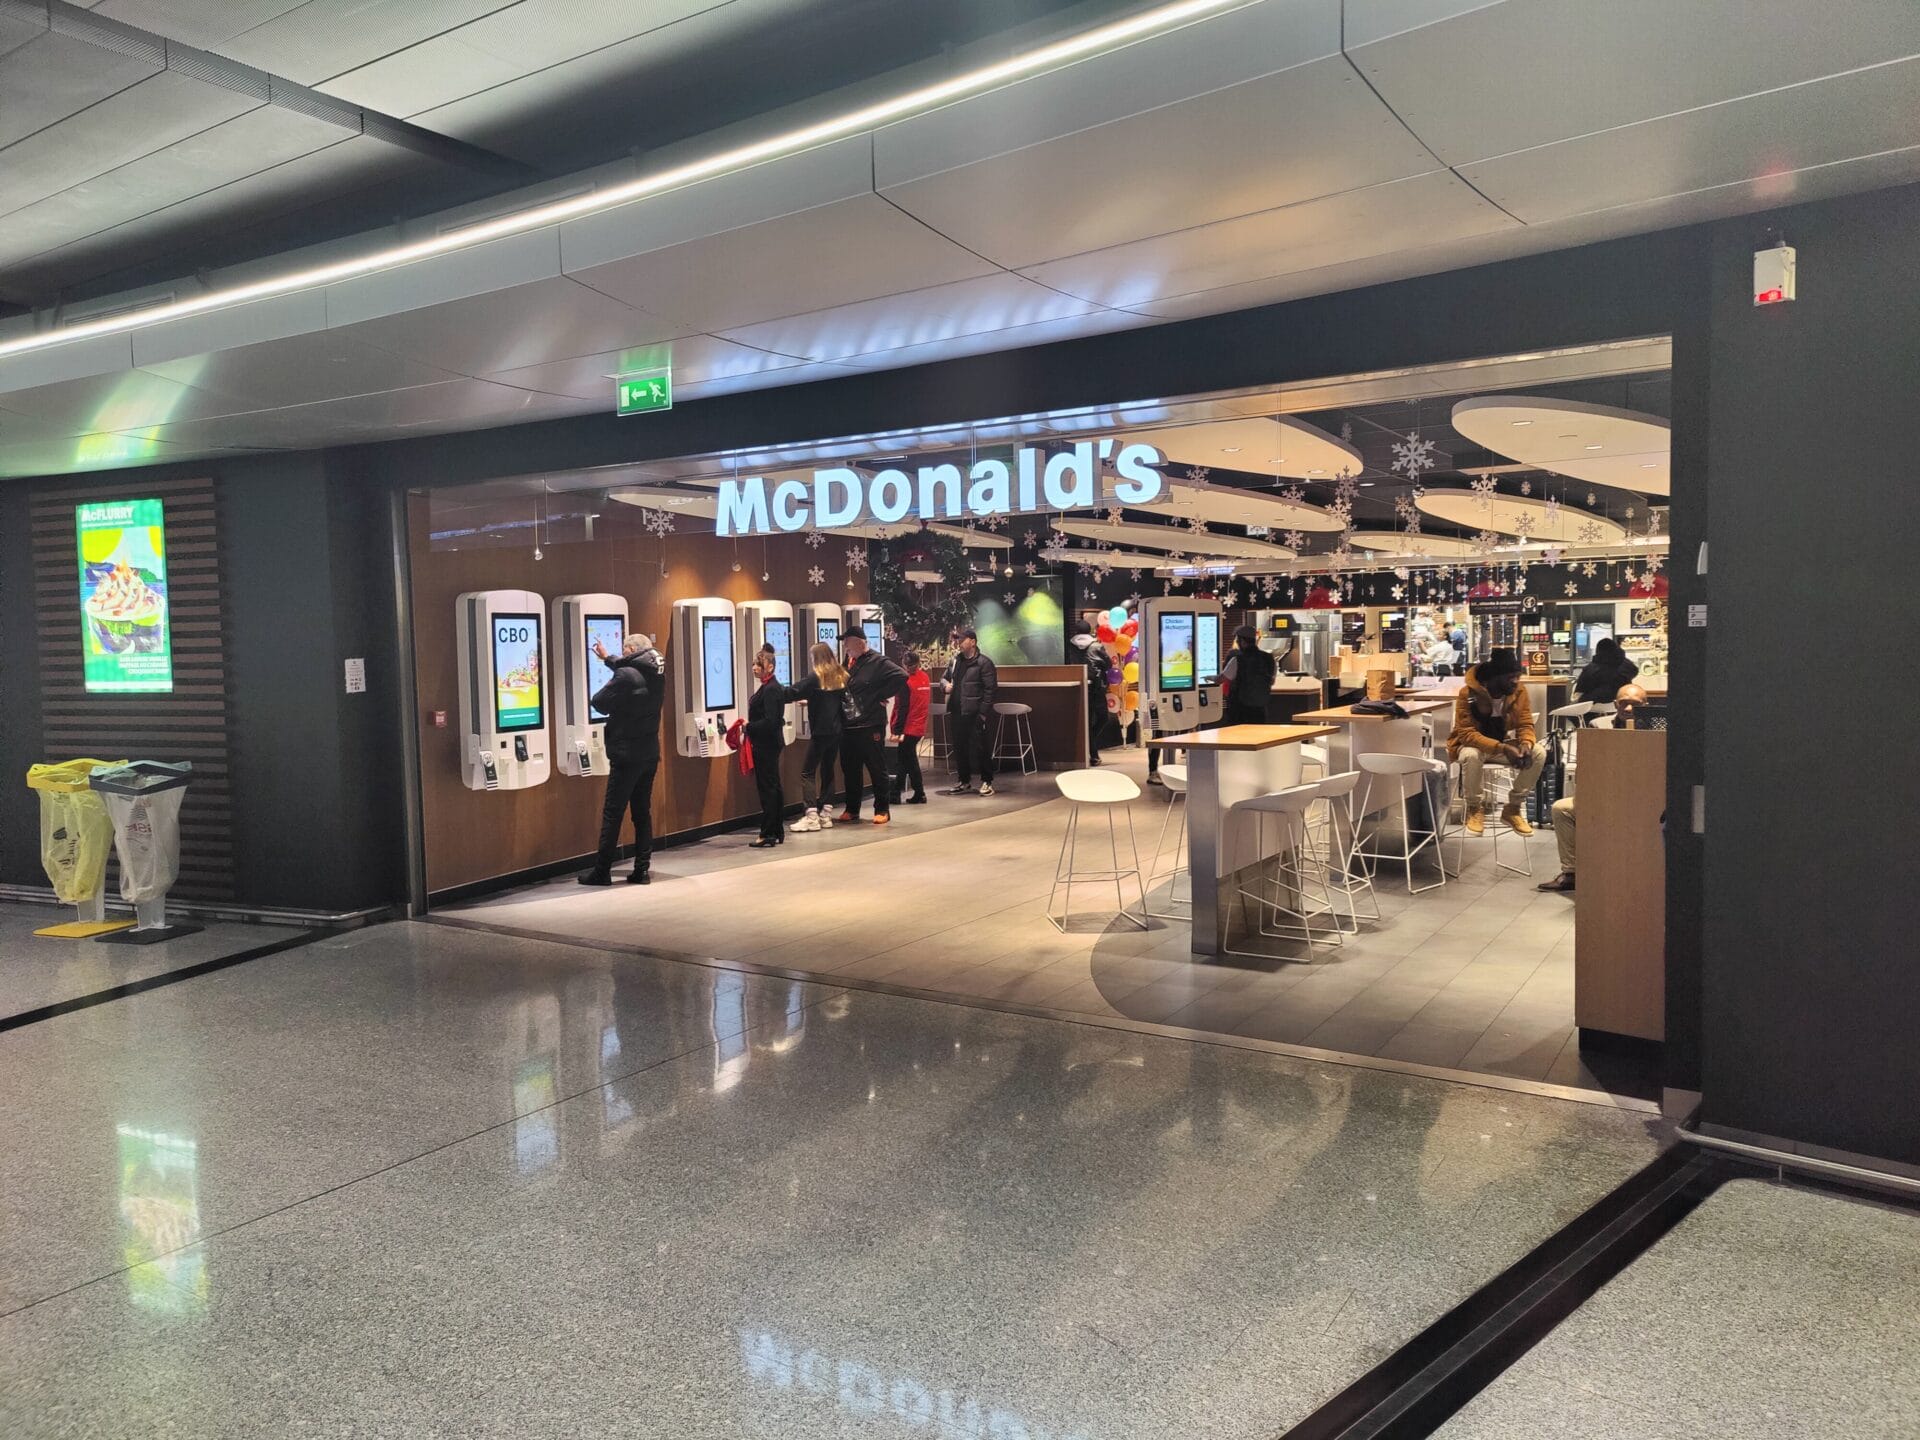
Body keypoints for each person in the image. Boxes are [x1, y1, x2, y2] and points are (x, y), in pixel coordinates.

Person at [1538, 684, 1650, 892]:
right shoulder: (1600, 726)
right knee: (1561, 809)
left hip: (1641, 798)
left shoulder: (1655, 730)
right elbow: (1588, 765)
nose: (1627, 709)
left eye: (1634, 704)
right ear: (1615, 704)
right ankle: (1571, 873)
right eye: (1623, 703)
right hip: (1605, 793)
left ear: (1646, 706)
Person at [579, 632, 663, 885]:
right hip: (649, 752)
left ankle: (602, 871)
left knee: (613, 813)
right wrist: (608, 659)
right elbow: (628, 669)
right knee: (642, 813)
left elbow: (599, 702)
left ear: (629, 651)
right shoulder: (658, 673)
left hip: (626, 754)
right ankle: (642, 870)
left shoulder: (625, 675)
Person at [1447, 647, 1545, 837]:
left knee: (1539, 752)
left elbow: (1525, 723)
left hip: (1502, 743)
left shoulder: (1518, 691)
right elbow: (1466, 734)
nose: (1516, 681)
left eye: (1518, 676)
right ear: (1495, 677)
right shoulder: (1468, 693)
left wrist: (1526, 743)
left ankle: (1513, 807)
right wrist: (1503, 748)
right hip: (1475, 745)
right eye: (1511, 677)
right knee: (1470, 755)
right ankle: (1475, 808)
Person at [837, 632, 909, 825]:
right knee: (850, 769)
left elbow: (901, 676)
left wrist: (879, 694)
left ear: (860, 644)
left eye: (848, 645)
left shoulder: (878, 661)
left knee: (876, 768)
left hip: (870, 725)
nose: (846, 648)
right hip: (849, 725)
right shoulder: (848, 663)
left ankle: (882, 809)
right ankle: (852, 809)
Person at [789, 642, 846, 832]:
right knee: (828, 770)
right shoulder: (841, 675)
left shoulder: (816, 677)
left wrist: (770, 692)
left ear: (817, 658)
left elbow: (792, 692)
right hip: (837, 731)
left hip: (820, 731)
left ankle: (811, 814)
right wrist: (810, 702)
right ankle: (826, 814)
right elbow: (831, 700)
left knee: (807, 772)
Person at [941, 628, 999, 797]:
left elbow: (991, 690)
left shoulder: (984, 663)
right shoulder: (956, 661)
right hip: (957, 711)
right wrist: (945, 685)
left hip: (975, 713)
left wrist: (982, 712)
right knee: (959, 747)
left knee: (981, 748)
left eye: (962, 640)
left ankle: (987, 781)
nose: (958, 643)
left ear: (972, 642)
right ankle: (964, 780)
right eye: (958, 640)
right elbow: (943, 678)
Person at [744, 646, 792, 848]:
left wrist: (749, 727)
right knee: (773, 786)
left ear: (770, 667)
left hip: (766, 744)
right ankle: (776, 829)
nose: (754, 668)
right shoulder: (769, 687)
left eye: (758, 665)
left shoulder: (771, 689)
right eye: (754, 664)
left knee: (768, 788)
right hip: (768, 743)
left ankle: (768, 832)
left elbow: (771, 721)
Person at [1068, 619, 1114, 764]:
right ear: (1089, 630)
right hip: (1097, 687)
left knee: (1086, 721)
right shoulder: (1097, 646)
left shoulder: (1070, 645)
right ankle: (1092, 750)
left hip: (1080, 686)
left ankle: (1090, 745)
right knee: (1103, 718)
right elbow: (1108, 664)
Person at [891, 649, 931, 804]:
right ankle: (901, 792)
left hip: (908, 727)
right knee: (905, 759)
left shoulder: (904, 681)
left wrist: (897, 730)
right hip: (920, 726)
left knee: (907, 760)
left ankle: (915, 792)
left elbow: (903, 708)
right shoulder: (925, 678)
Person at [1221, 624, 1276, 726]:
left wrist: (1209, 678)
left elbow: (1223, 678)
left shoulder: (1237, 659)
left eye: (1238, 640)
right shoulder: (1268, 658)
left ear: (1242, 641)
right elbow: (1272, 681)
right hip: (1260, 708)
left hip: (1239, 709)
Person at [1574, 635, 1641, 704]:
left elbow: (1580, 689)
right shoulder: (1626, 664)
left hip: (1593, 704)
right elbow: (1635, 671)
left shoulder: (1591, 668)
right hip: (1621, 702)